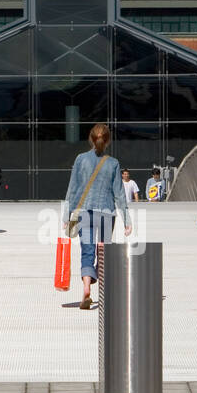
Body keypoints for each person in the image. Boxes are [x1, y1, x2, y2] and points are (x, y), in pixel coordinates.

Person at [63, 123, 131, 310]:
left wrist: (66, 216)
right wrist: (127, 220)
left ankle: (86, 287)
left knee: (87, 250)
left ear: (90, 139)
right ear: (107, 140)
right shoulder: (113, 163)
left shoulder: (80, 159)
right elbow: (119, 193)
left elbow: (72, 188)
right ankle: (103, 291)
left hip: (84, 211)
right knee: (104, 252)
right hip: (107, 213)